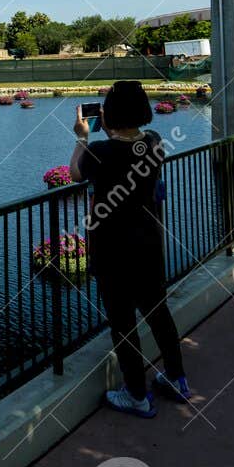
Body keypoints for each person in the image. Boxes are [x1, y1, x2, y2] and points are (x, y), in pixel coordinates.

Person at [69, 80, 189, 418]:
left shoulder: (101, 152)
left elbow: (75, 173)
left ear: (109, 113)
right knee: (158, 312)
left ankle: (137, 393)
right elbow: (128, 148)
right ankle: (177, 378)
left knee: (122, 322)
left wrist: (82, 136)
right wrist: (110, 128)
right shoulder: (153, 143)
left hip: (113, 248)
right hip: (149, 241)